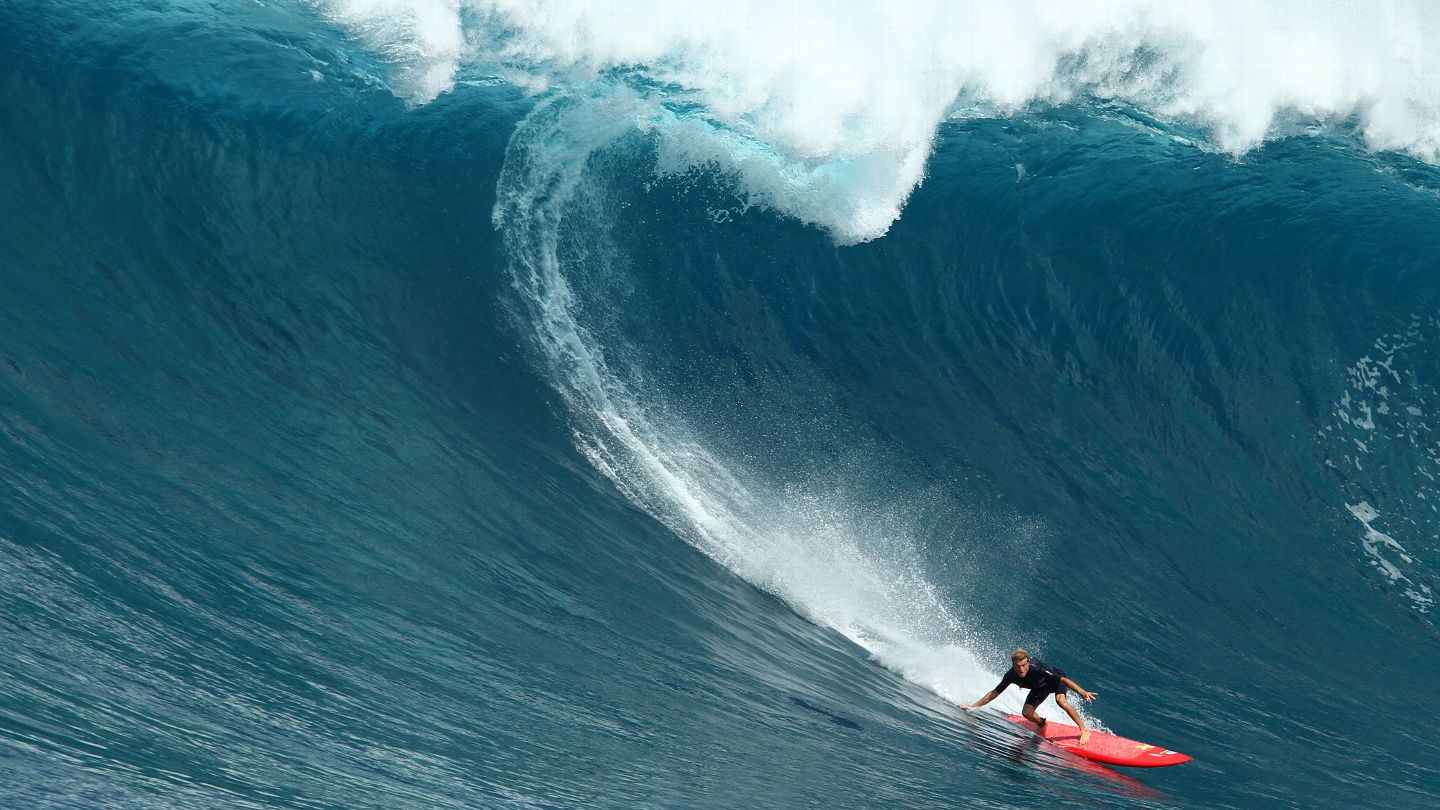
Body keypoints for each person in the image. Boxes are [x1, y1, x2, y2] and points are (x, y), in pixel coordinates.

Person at [962, 648, 1098, 744]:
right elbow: (994, 693)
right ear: (1013, 665)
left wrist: (1082, 692)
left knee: (1061, 701)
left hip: (1054, 681)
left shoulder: (1037, 669)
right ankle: (1042, 723)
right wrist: (973, 706)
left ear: (1028, 662)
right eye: (1017, 666)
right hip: (1039, 687)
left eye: (1023, 665)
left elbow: (1063, 680)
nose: (1021, 669)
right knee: (1026, 713)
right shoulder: (1011, 675)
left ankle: (1084, 730)